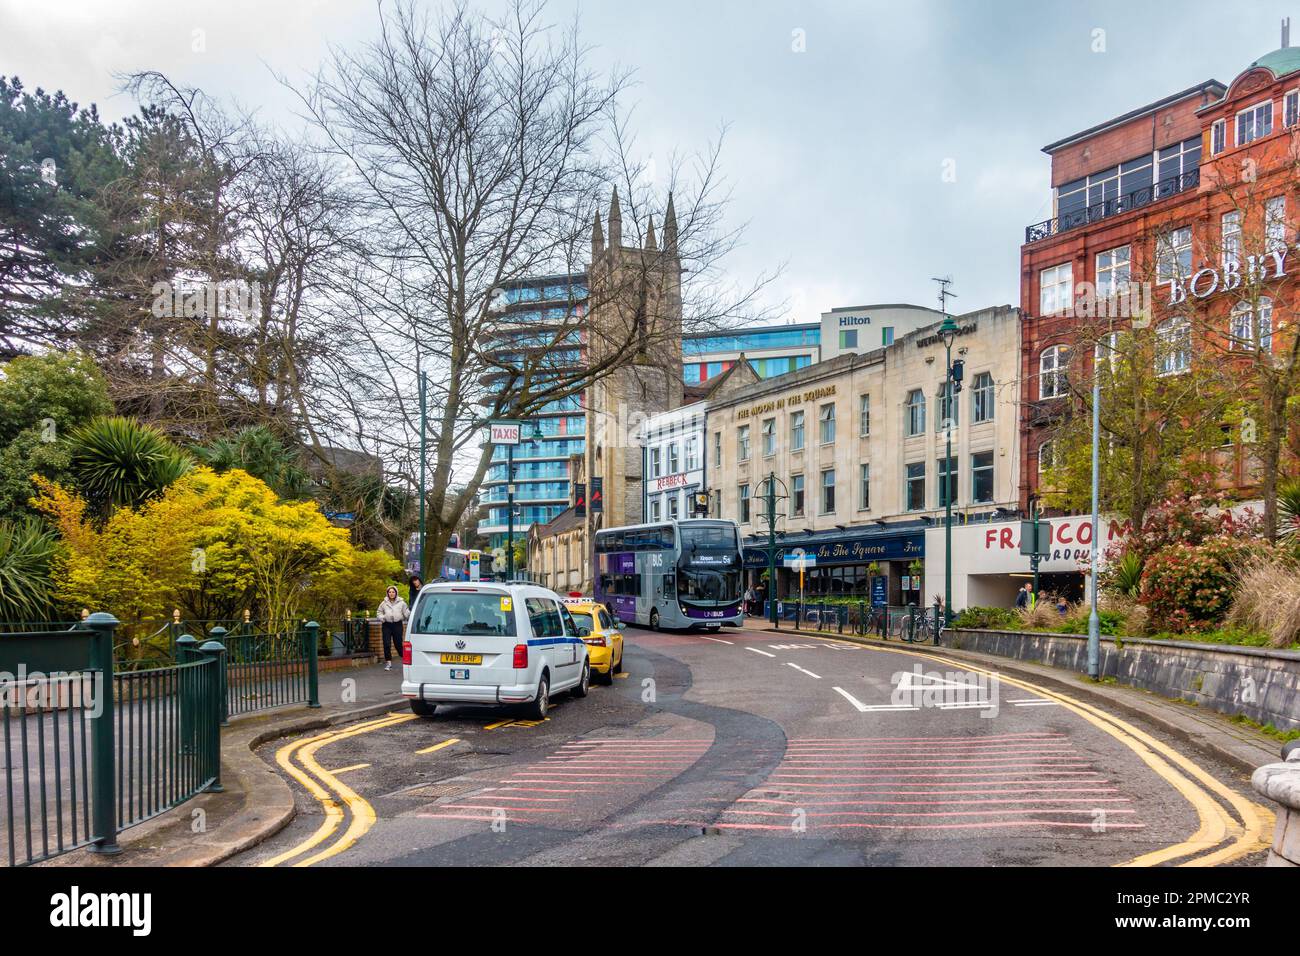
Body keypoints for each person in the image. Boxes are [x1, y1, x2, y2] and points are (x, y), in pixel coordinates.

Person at [377, 585, 410, 671]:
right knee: (386, 644)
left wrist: (407, 616)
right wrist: (382, 618)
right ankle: (388, 663)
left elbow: (406, 612)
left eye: (393, 592)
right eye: (390, 592)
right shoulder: (384, 603)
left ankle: (406, 661)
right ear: (387, 593)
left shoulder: (402, 603)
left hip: (397, 625)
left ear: (396, 593)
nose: (391, 593)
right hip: (386, 625)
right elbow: (379, 612)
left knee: (398, 645)